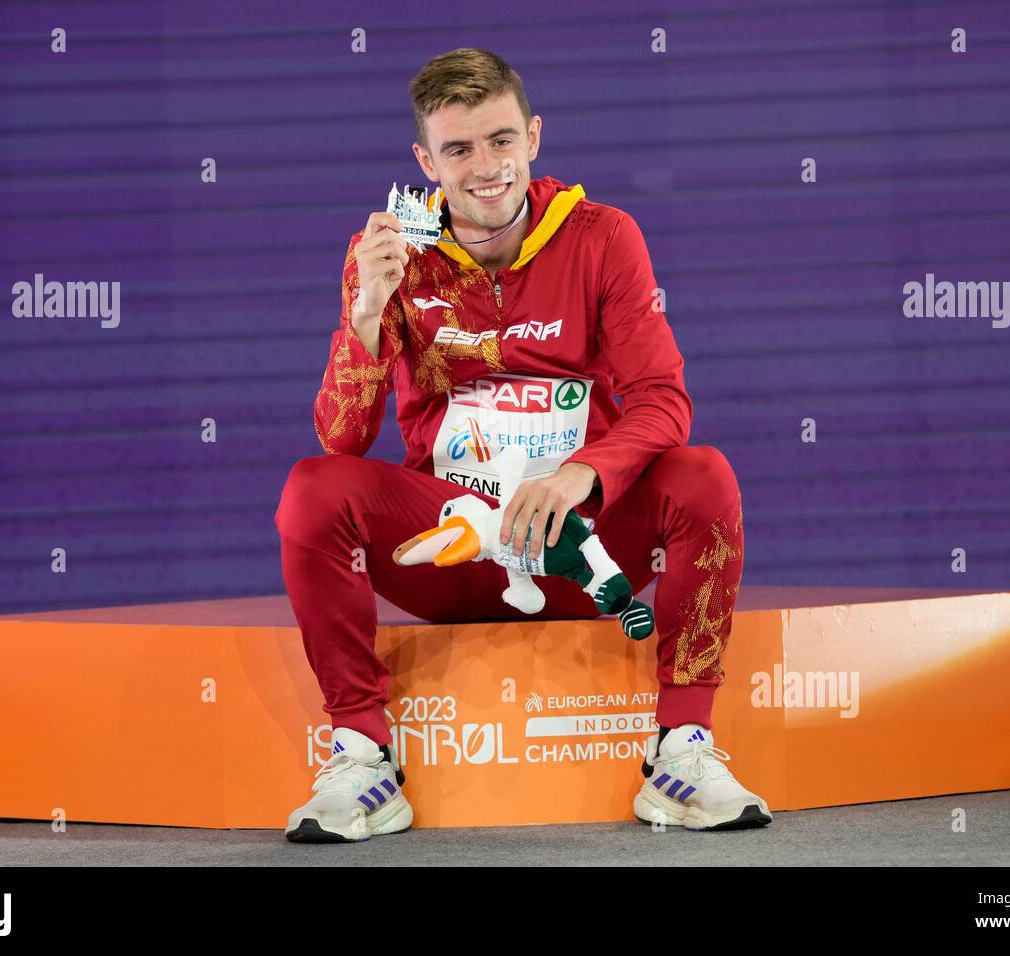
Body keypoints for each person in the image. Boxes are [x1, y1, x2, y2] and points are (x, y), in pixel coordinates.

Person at [275, 48, 771, 843]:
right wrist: (366, 312)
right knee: (311, 487)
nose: (485, 168)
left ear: (534, 137)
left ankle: (682, 750)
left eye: (501, 140)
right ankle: (364, 756)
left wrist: (583, 474)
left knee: (703, 476)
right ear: (425, 161)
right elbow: (342, 437)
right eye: (459, 149)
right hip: (449, 550)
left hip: (573, 547)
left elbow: (662, 399)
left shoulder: (604, 236)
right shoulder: (389, 257)